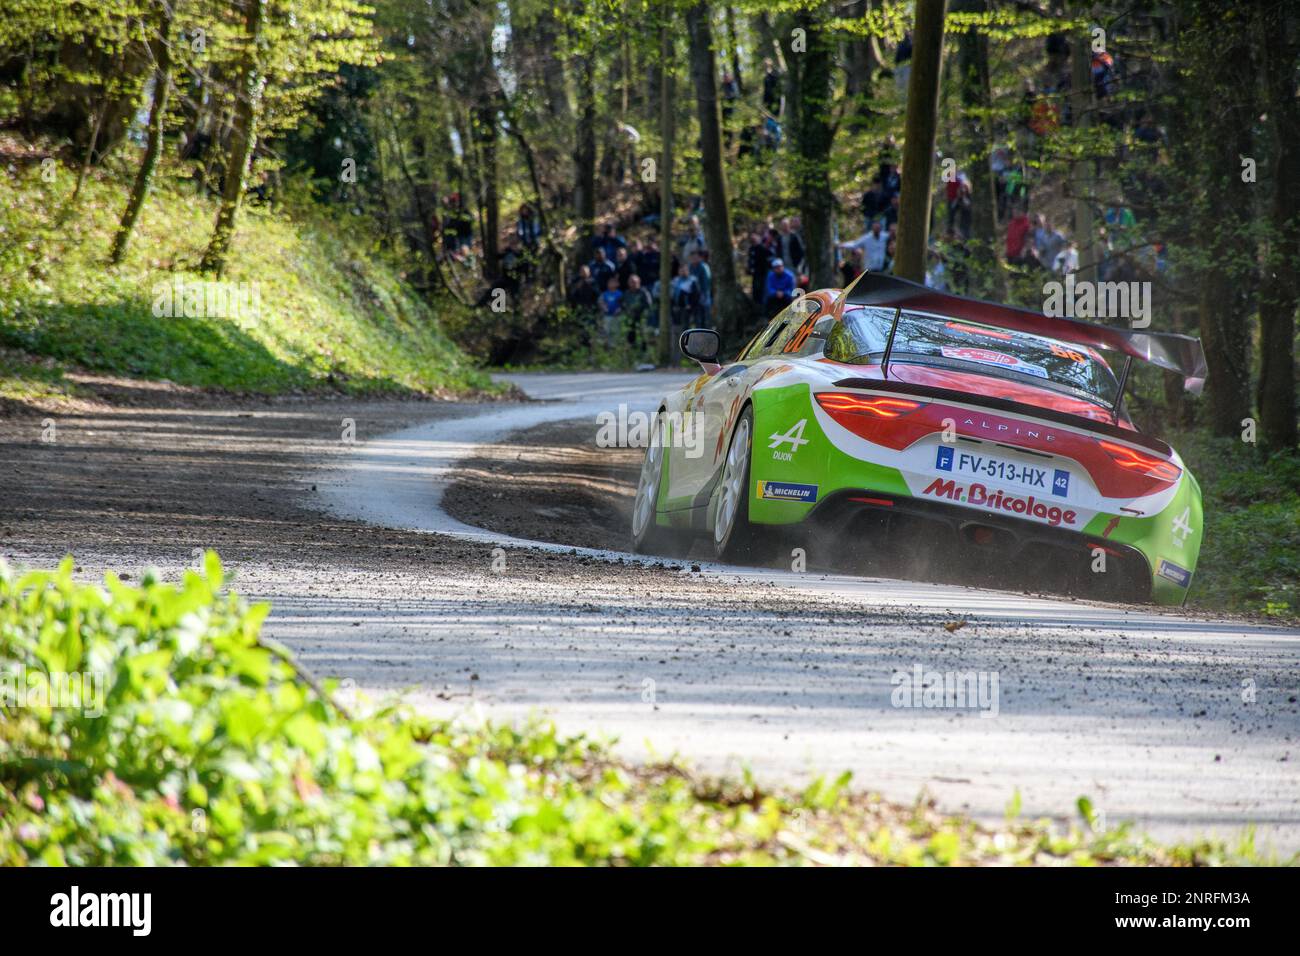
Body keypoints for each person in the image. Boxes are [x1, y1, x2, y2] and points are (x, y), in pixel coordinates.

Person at [623, 274, 655, 347]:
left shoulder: (644, 292)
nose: (633, 284)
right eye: (631, 282)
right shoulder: (626, 293)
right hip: (630, 319)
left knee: (643, 338)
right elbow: (623, 305)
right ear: (628, 283)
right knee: (630, 338)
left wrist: (638, 309)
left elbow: (648, 304)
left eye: (635, 282)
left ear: (639, 282)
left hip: (642, 319)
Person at [670, 262, 700, 332]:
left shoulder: (692, 281)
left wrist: (690, 305)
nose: (683, 272)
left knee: (686, 327)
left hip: (687, 309)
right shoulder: (675, 280)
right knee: (676, 327)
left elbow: (696, 295)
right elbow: (672, 294)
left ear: (688, 271)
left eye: (684, 270)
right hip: (676, 308)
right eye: (681, 270)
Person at [746, 230, 773, 307]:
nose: (753, 240)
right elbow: (750, 260)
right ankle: (756, 305)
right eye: (752, 238)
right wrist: (749, 268)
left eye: (755, 238)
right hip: (754, 273)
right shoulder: (751, 248)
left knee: (762, 289)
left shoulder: (762, 248)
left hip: (762, 273)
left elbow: (769, 257)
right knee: (755, 289)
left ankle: (762, 306)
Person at [690, 250, 713, 327]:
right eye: (692, 258)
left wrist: (704, 294)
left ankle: (707, 329)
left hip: (704, 293)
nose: (694, 259)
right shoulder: (691, 267)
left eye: (696, 257)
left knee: (705, 313)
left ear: (699, 258)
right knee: (697, 315)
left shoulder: (703, 267)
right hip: (694, 295)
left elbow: (707, 281)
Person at [599, 275, 624, 344]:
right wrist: (604, 307)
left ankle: (613, 346)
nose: (611, 284)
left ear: (617, 284)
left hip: (616, 316)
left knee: (615, 332)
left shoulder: (620, 293)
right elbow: (601, 302)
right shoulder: (605, 293)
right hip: (607, 316)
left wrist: (619, 309)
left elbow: (623, 304)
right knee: (605, 331)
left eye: (613, 282)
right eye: (610, 282)